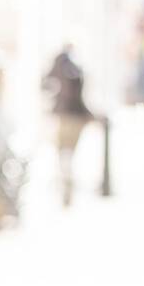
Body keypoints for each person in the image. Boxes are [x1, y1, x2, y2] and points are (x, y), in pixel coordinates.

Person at [42, 44, 93, 207]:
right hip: (74, 116)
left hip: (65, 115)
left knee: (63, 154)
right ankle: (66, 187)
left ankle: (65, 186)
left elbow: (44, 85)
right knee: (68, 155)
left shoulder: (58, 66)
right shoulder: (76, 67)